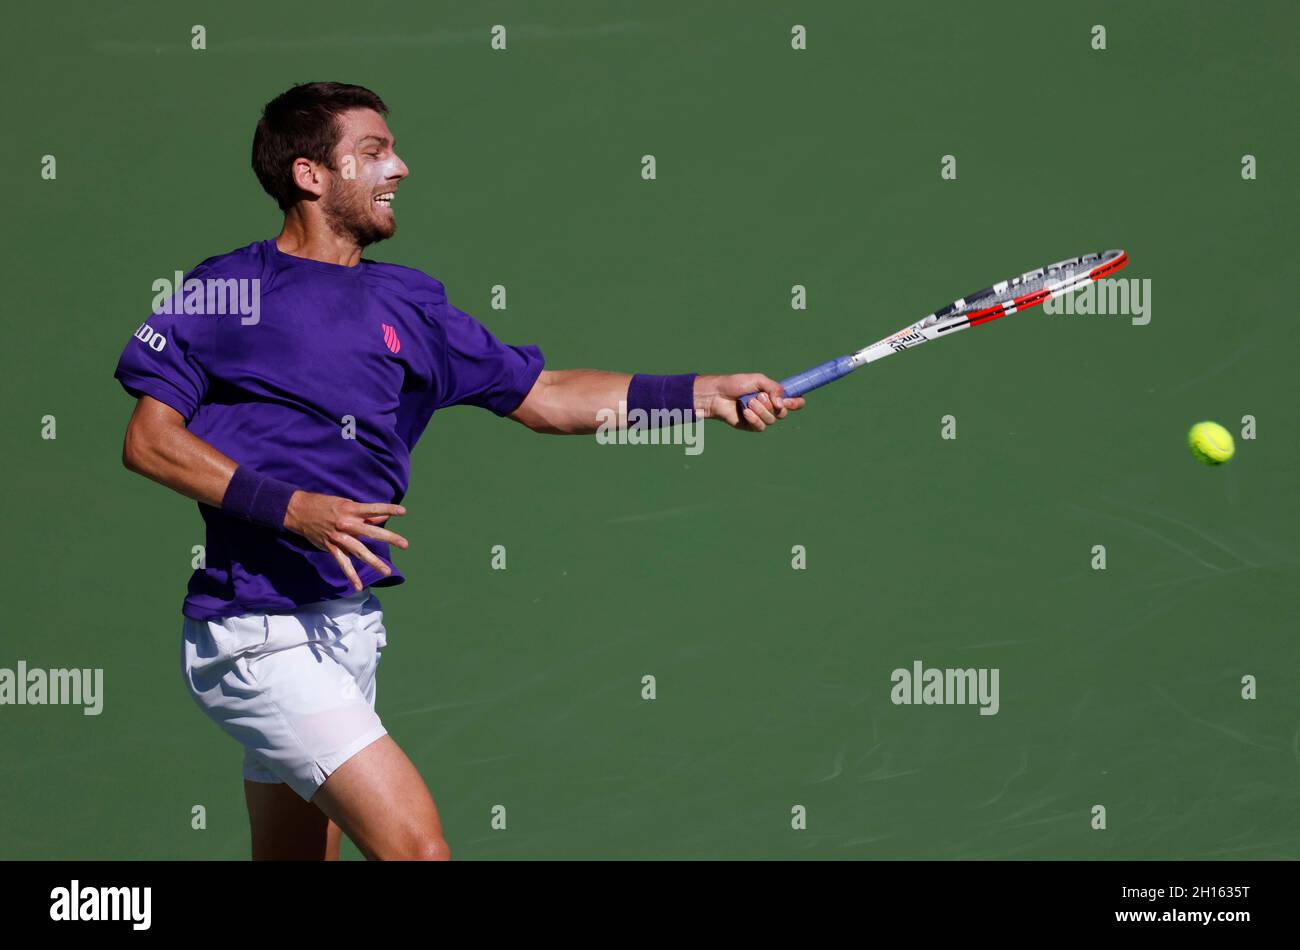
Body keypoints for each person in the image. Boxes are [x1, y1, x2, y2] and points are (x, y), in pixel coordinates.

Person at [114, 81, 803, 860]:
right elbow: (150, 440)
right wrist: (293, 508)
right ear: (310, 175)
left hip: (346, 626)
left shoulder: (408, 302)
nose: (400, 166)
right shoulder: (226, 290)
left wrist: (701, 395)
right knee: (420, 851)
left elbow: (542, 396)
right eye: (373, 152)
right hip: (257, 635)